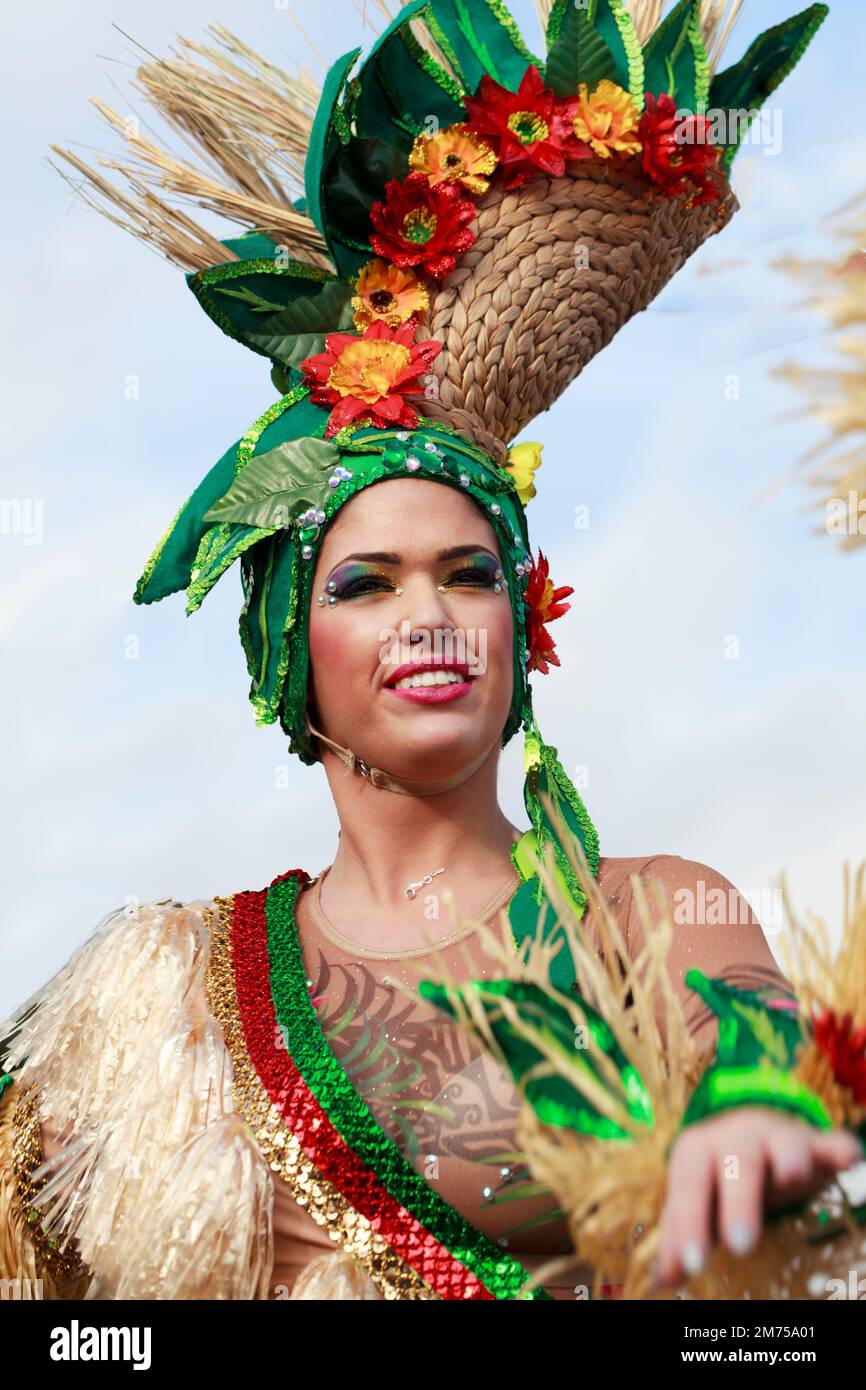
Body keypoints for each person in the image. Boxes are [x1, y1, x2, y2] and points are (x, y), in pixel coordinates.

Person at [3, 0, 855, 1302]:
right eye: (366, 581)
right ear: (287, 648)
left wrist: (747, 1129)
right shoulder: (153, 1006)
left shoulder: (656, 920)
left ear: (525, 622)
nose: (428, 614)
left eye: (468, 572)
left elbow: (761, 1070)